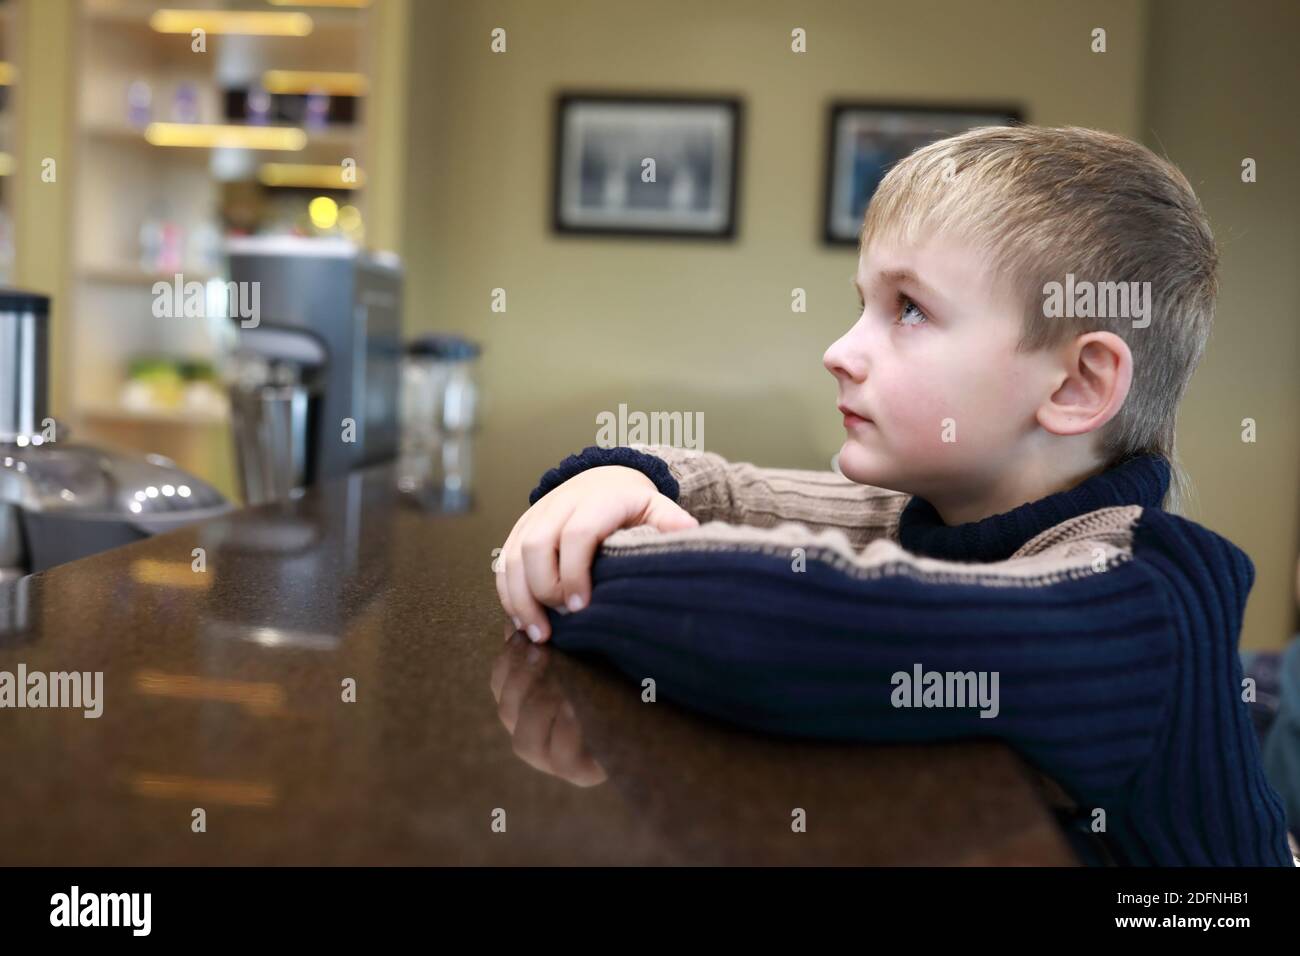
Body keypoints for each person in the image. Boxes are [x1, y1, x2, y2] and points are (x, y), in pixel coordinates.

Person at [494, 125, 1293, 866]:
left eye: (909, 309)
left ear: (1078, 384)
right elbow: (729, 490)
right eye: (862, 305)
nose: (839, 351)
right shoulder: (949, 511)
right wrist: (616, 479)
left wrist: (588, 559)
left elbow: (794, 628)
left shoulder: (1136, 608)